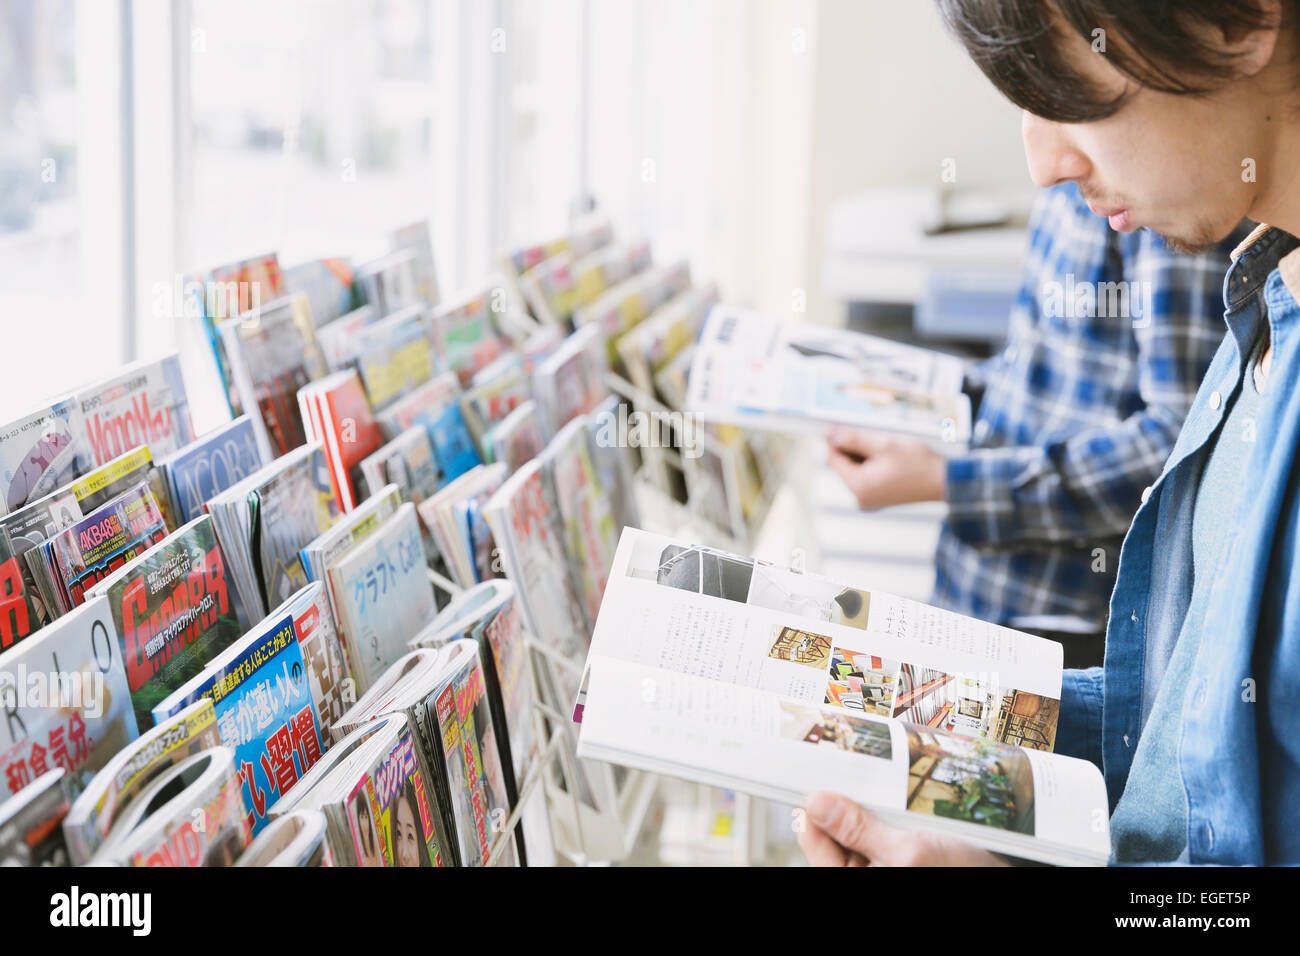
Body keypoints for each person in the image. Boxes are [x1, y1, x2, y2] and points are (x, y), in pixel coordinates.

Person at [801, 0, 1300, 866]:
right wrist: (919, 712)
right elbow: (1183, 737)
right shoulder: (1265, 304)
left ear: (1241, 22)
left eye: (1066, 94)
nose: (1040, 163)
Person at [828, 181, 1246, 669]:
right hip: (975, 589)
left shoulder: (1155, 199)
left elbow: (1181, 443)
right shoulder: (1061, 191)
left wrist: (947, 482)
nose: (1041, 166)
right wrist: (910, 400)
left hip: (1062, 622)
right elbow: (1036, 371)